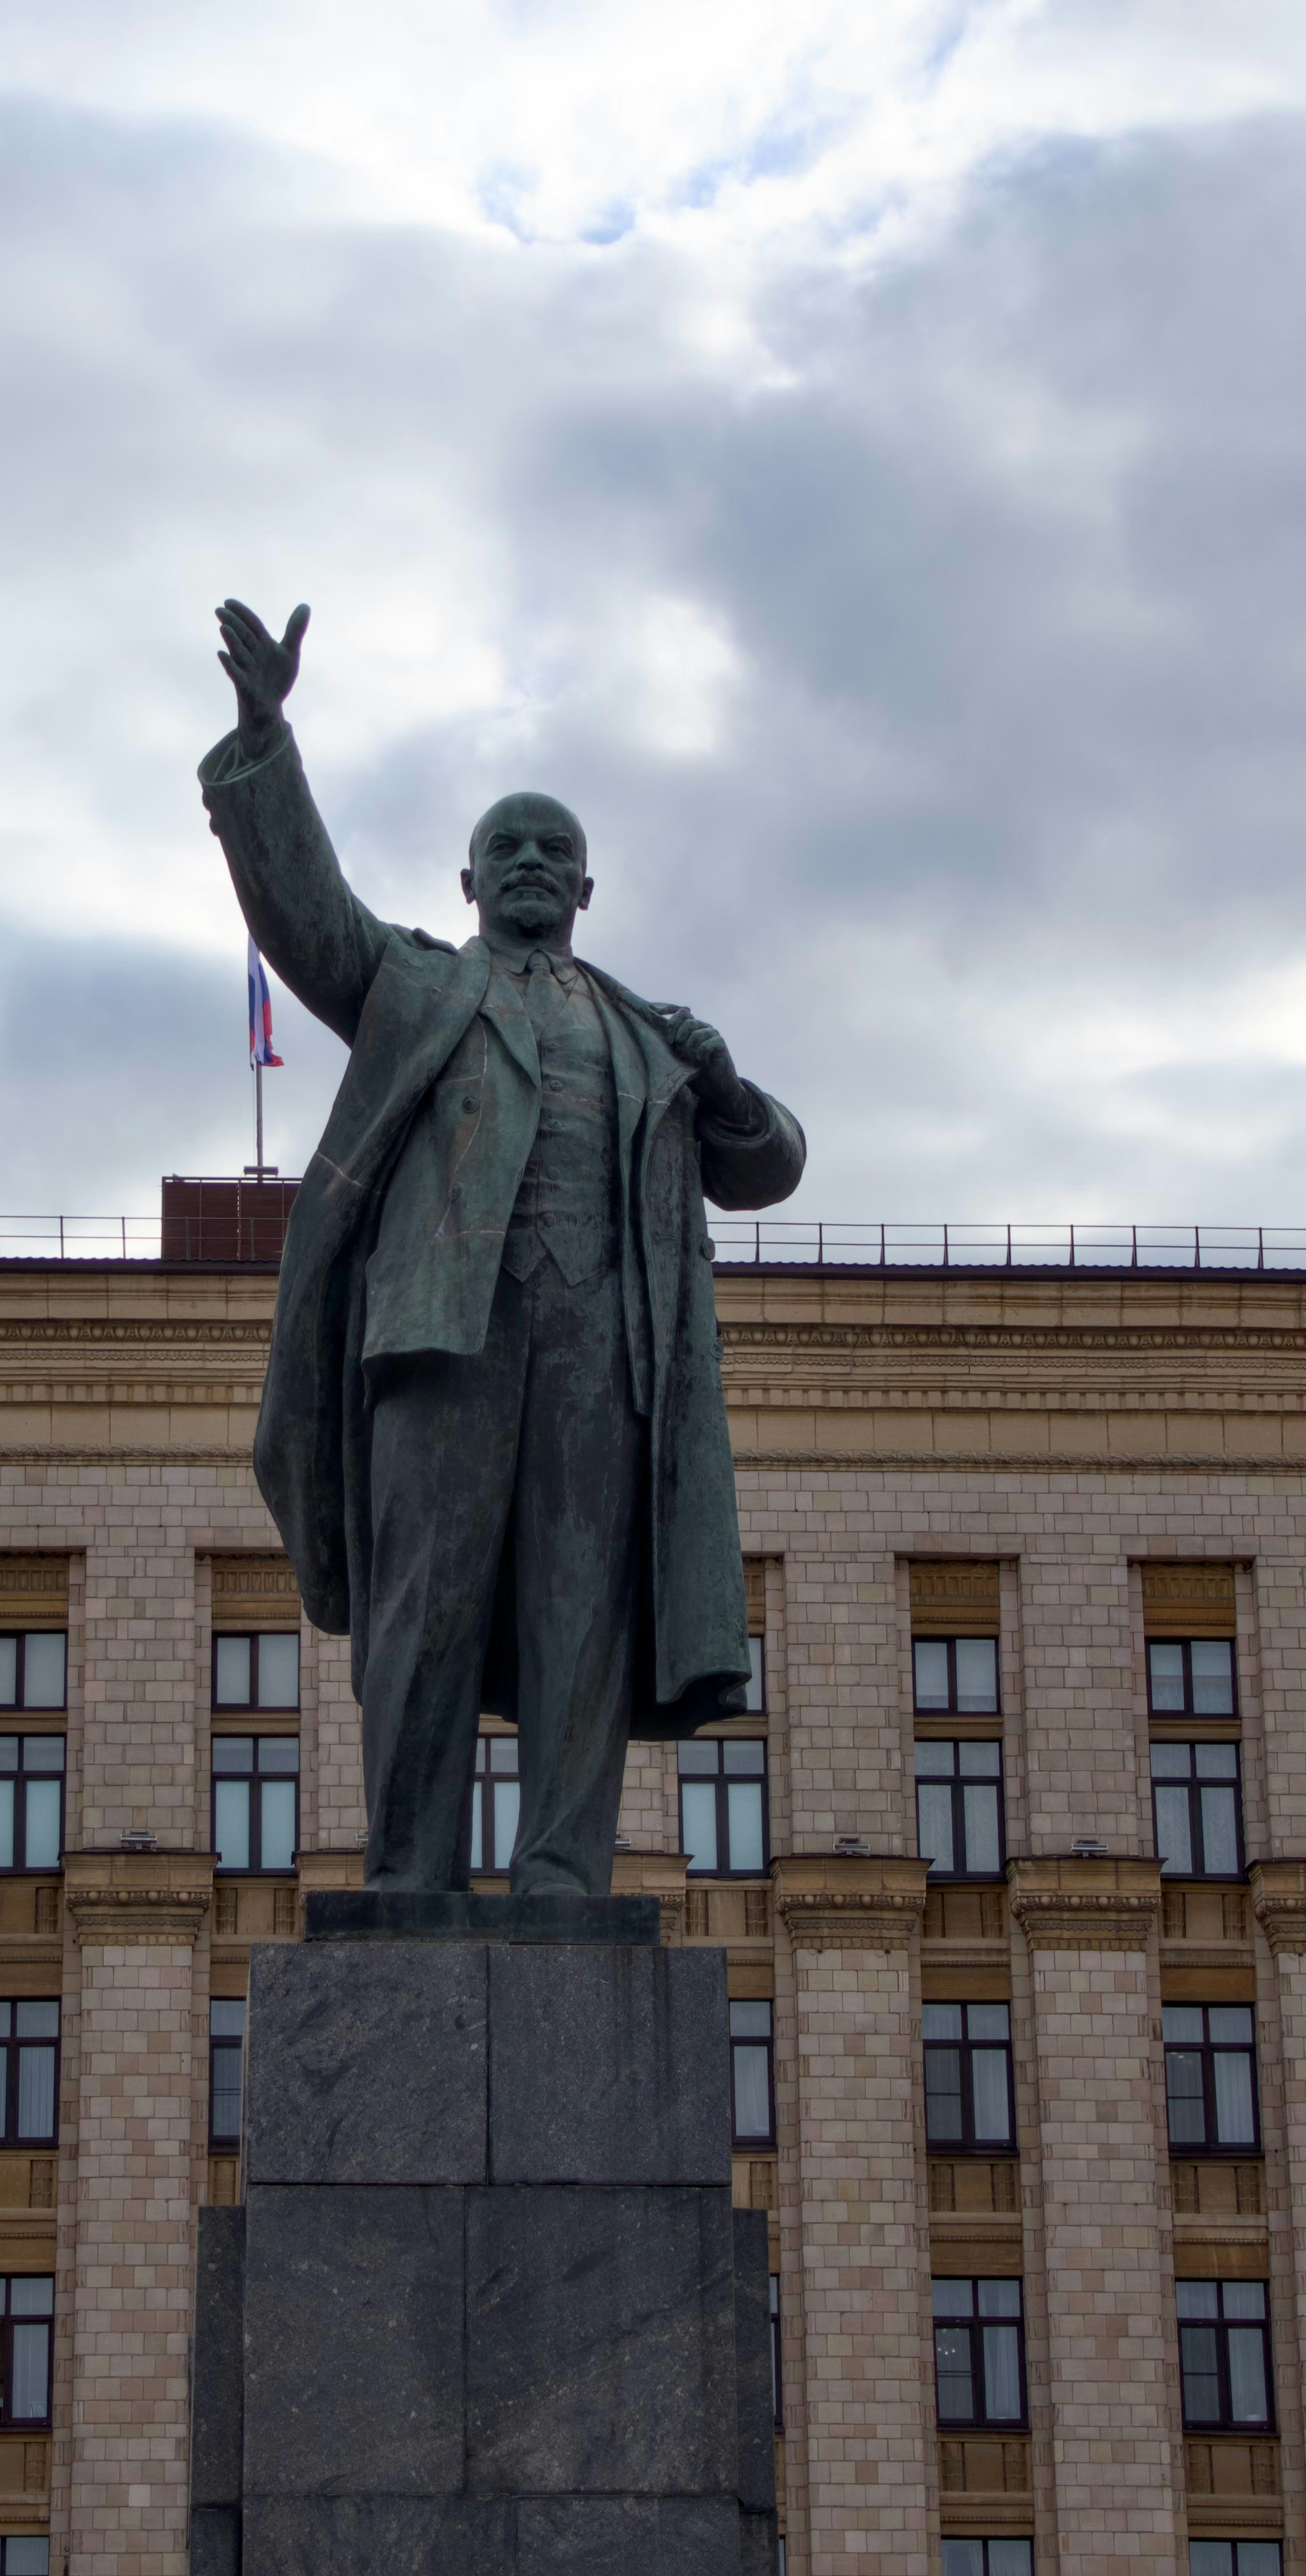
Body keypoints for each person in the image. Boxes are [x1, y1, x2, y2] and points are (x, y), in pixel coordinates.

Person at [199, 599, 805, 1896]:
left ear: (584, 887)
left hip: (600, 1349)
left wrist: (728, 1081)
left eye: (553, 847)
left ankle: (560, 1868)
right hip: (440, 1334)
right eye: (503, 846)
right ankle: (407, 1867)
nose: (529, 860)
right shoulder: (416, 985)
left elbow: (764, 1166)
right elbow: (309, 921)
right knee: (424, 1603)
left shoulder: (645, 1033)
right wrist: (266, 740)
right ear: (467, 884)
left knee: (576, 1611)